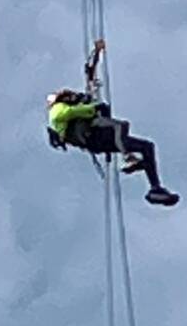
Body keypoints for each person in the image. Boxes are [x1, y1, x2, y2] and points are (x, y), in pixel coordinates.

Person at [46, 42, 179, 207]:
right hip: (93, 137)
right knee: (120, 126)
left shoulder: (75, 105)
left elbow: (90, 76)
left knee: (147, 147)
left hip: (100, 137)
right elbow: (71, 113)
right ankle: (128, 158)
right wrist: (93, 107)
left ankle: (155, 188)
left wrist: (96, 54)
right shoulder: (57, 110)